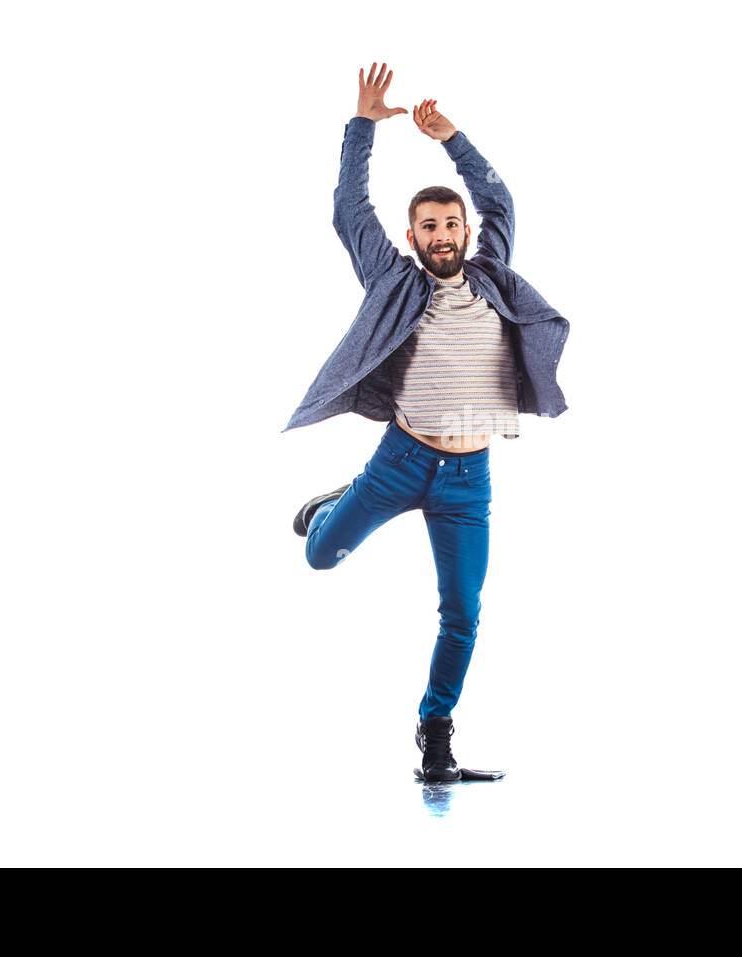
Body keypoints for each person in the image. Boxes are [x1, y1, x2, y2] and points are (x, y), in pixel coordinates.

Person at [285, 62, 570, 781]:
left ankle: (435, 735)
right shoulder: (396, 283)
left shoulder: (491, 275)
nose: (441, 235)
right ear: (411, 237)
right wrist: (362, 127)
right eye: (428, 227)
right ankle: (334, 507)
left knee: (463, 612)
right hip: (400, 460)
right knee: (320, 556)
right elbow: (350, 211)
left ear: (466, 232)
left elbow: (502, 200)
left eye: (451, 224)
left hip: (468, 479)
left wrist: (453, 139)